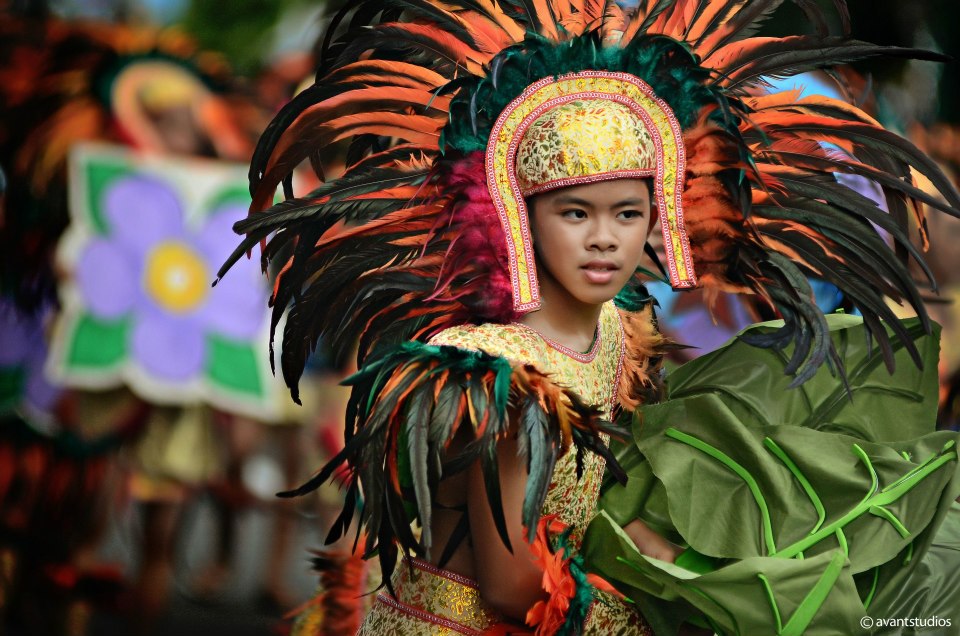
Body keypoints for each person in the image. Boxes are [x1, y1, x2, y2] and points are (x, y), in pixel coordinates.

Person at [219, 0, 960, 632]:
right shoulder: (501, 375)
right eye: (576, 212)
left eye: (627, 213)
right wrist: (652, 583)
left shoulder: (618, 330)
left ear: (661, 221)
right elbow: (513, 589)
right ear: (521, 216)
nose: (605, 237)